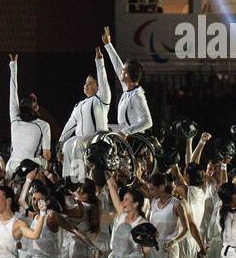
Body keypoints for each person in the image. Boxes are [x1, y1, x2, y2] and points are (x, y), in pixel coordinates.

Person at [58, 48, 112, 182]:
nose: (86, 85)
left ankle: (81, 181)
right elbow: (69, 125)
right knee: (68, 144)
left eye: (90, 83)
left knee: (76, 143)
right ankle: (70, 181)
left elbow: (103, 79)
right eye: (85, 83)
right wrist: (59, 143)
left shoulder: (102, 99)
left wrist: (99, 61)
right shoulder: (79, 105)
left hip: (98, 138)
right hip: (82, 139)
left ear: (98, 87)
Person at [101, 27, 153, 136]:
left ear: (128, 75)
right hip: (124, 131)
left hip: (133, 137)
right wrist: (108, 45)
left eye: (124, 71)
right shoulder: (128, 87)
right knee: (101, 128)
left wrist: (127, 132)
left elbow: (148, 122)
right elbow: (117, 65)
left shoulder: (137, 96)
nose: (121, 71)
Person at [8, 54, 52, 168]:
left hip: (12, 167)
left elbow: (13, 93)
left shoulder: (15, 119)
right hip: (31, 167)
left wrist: (13, 66)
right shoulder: (44, 126)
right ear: (36, 108)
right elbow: (47, 155)